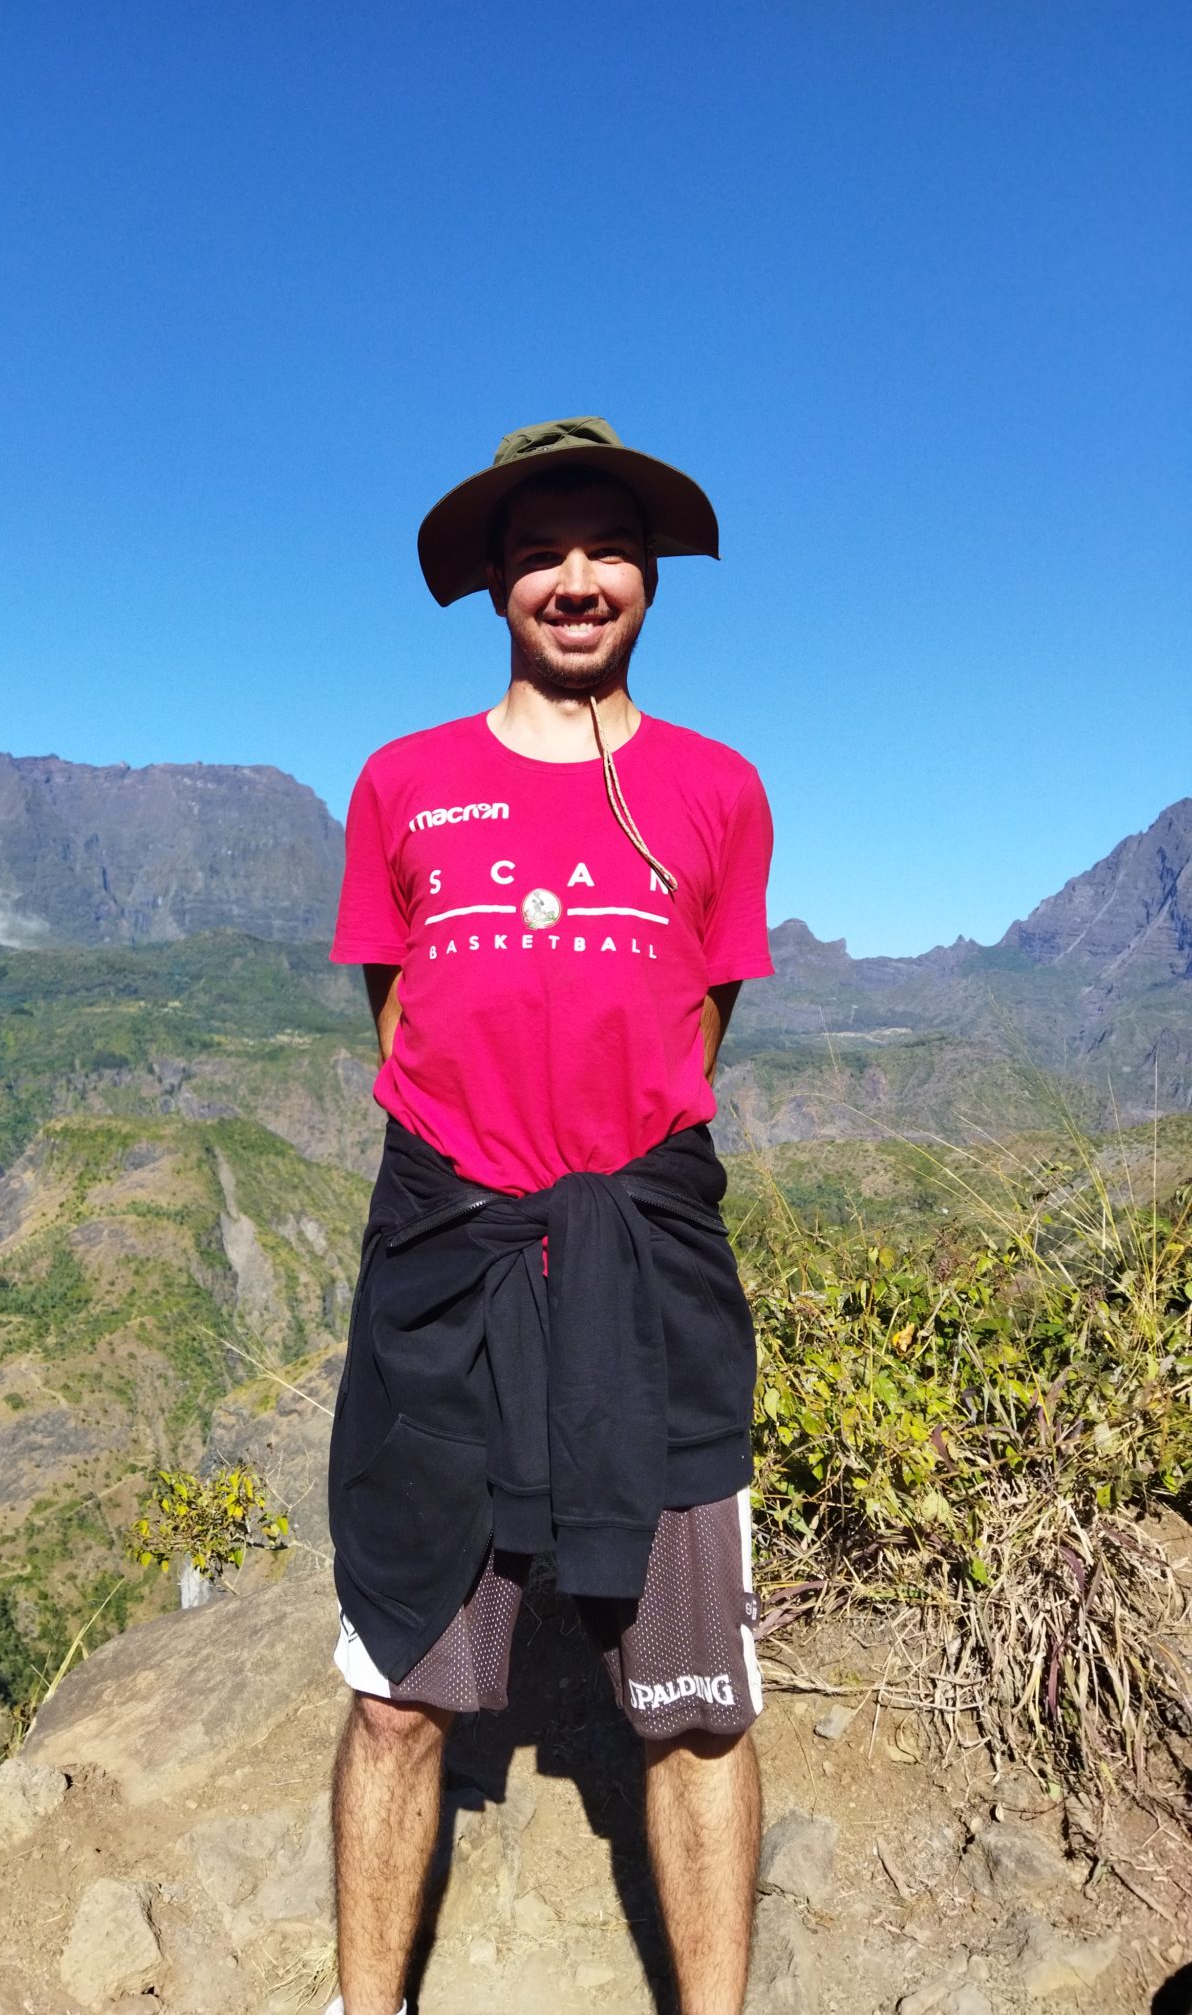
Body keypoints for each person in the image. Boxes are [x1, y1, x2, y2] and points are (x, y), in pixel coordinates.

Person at [323, 417, 774, 2015]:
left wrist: (590, 1174)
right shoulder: (403, 785)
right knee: (396, 1697)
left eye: (605, 548)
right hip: (452, 1260)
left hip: (639, 1269)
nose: (575, 579)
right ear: (495, 582)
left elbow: (696, 1032)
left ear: (647, 578)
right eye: (540, 550)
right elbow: (400, 1019)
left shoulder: (717, 791)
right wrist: (497, 1168)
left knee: (702, 1706)